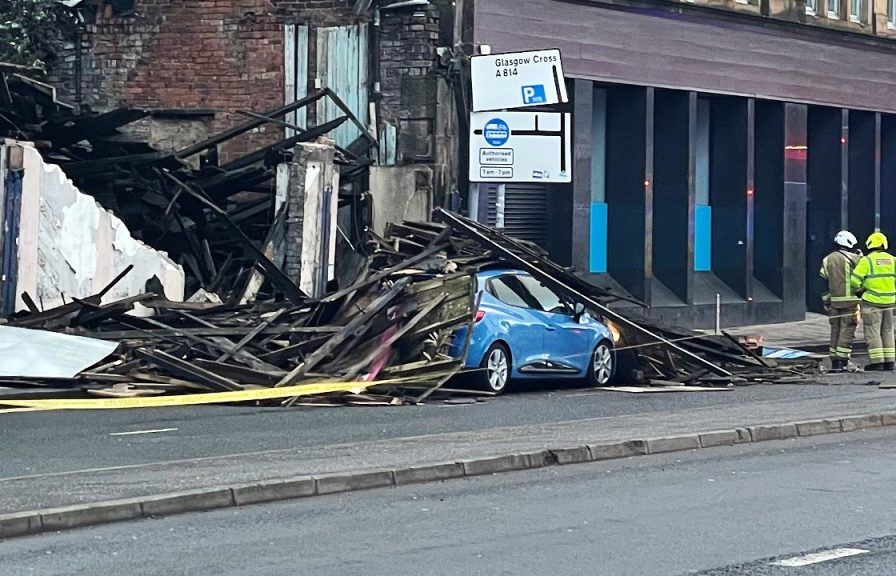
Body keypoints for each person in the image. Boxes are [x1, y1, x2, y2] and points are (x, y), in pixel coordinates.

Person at [850, 232, 896, 371]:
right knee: (888, 331)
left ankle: (877, 362)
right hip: (889, 301)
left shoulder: (867, 260)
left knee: (873, 331)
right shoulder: (893, 260)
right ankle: (889, 362)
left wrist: (859, 290)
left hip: (871, 301)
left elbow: (854, 280)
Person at [820, 230, 861, 371]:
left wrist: (826, 300)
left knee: (835, 331)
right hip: (850, 302)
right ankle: (843, 361)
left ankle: (834, 361)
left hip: (833, 302)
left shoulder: (827, 259)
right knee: (847, 331)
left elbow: (822, 280)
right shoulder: (854, 258)